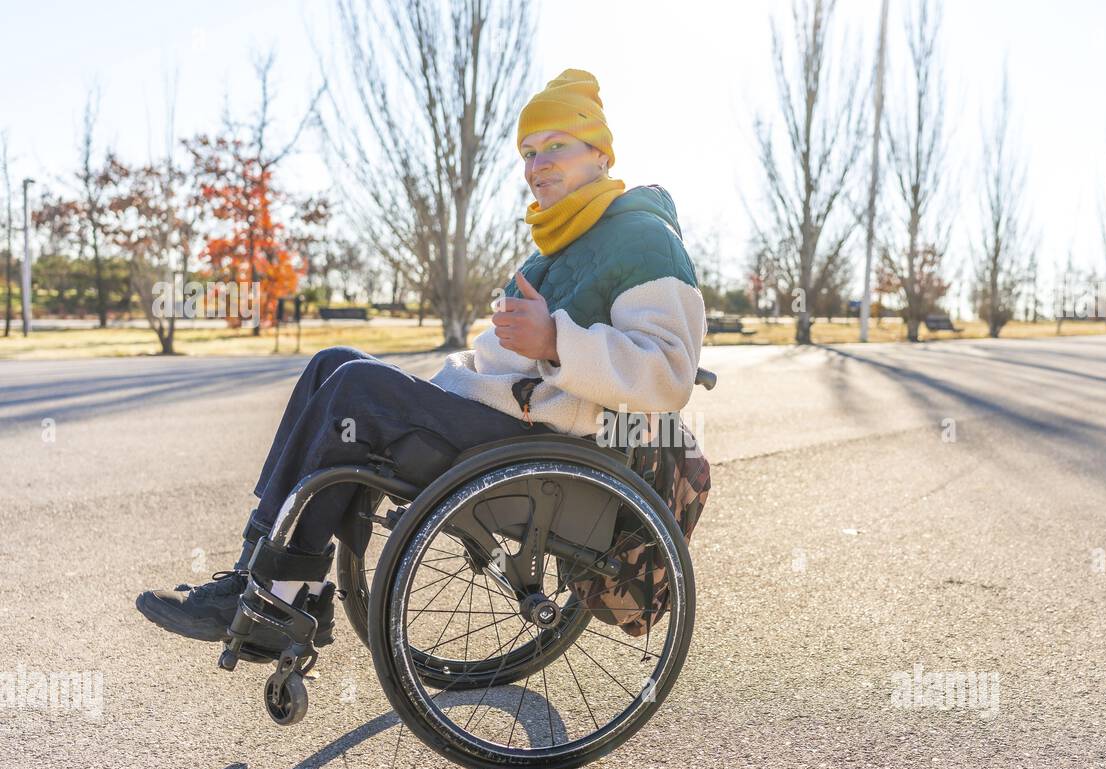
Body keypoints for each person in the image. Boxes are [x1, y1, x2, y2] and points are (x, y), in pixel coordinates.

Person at [136, 68, 707, 659]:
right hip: (503, 420)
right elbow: (495, 356)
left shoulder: (644, 240)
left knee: (358, 388)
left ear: (601, 154)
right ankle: (269, 573)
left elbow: (668, 374)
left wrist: (556, 343)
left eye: (554, 147)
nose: (537, 166)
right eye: (529, 153)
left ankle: (278, 594)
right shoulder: (556, 250)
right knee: (332, 364)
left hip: (552, 446)